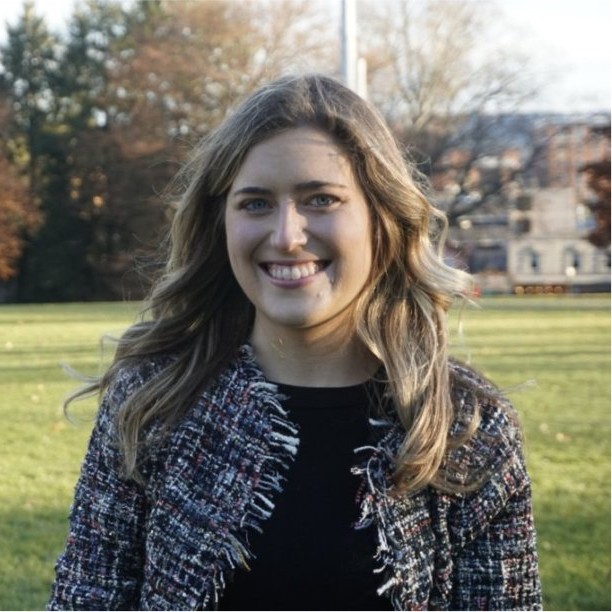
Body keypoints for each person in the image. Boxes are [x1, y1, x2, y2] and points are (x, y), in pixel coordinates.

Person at [47, 73, 542, 611]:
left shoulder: (467, 426)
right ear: (221, 223)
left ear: (381, 218)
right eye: (255, 204)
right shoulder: (151, 403)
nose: (287, 236)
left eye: (321, 199)